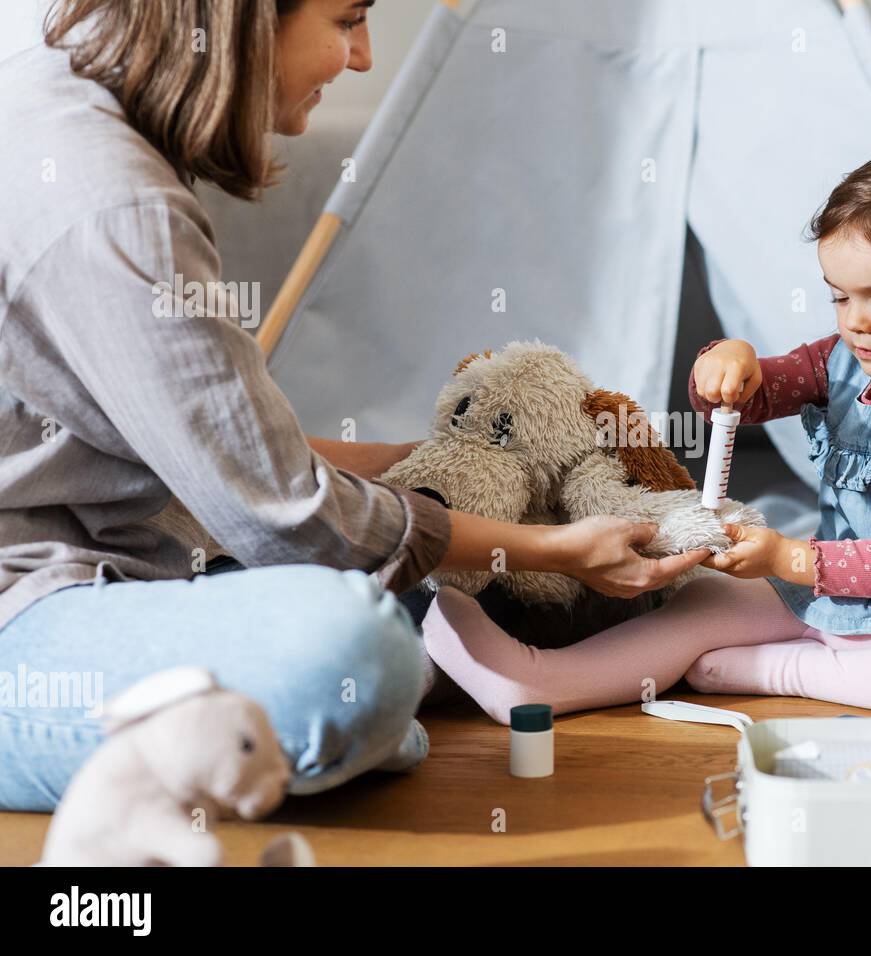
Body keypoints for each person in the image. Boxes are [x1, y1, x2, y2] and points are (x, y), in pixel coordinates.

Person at [0, 0, 705, 812]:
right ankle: (345, 721)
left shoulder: (65, 104)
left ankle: (340, 726)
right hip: (32, 615)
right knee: (351, 648)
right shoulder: (118, 204)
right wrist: (554, 548)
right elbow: (285, 515)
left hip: (101, 568)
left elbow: (231, 452)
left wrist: (454, 461)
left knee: (392, 602)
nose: (363, 56)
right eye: (347, 19)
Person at [421, 139, 871, 723]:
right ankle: (540, 681)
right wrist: (727, 363)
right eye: (839, 296)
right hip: (838, 595)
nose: (855, 321)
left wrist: (787, 560)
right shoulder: (841, 360)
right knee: (711, 596)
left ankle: (784, 670)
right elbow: (753, 394)